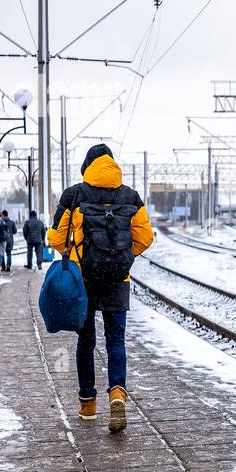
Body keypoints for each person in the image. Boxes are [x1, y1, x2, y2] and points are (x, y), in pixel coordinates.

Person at [48, 144, 154, 433]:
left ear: (87, 167)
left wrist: (77, 251)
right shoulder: (130, 196)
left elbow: (56, 239)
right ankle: (117, 394)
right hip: (118, 281)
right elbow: (146, 237)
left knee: (86, 342)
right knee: (116, 342)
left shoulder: (74, 195)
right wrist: (125, 256)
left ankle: (88, 405)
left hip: (84, 282)